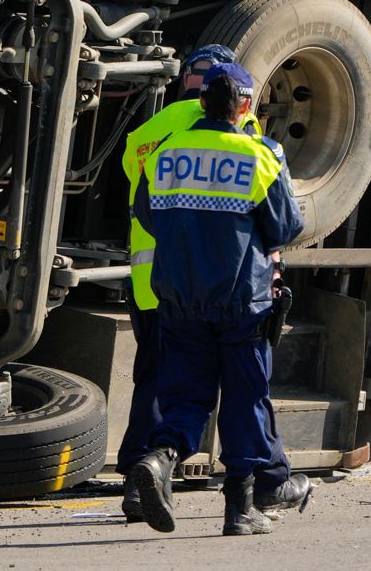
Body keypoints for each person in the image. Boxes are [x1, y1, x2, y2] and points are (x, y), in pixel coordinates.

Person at [117, 46, 307, 523]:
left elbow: (148, 216)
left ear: (201, 101)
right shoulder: (259, 155)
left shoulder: (164, 154)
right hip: (242, 300)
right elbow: (286, 227)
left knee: (185, 397)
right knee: (245, 400)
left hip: (179, 298)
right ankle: (240, 510)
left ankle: (157, 459)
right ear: (244, 107)